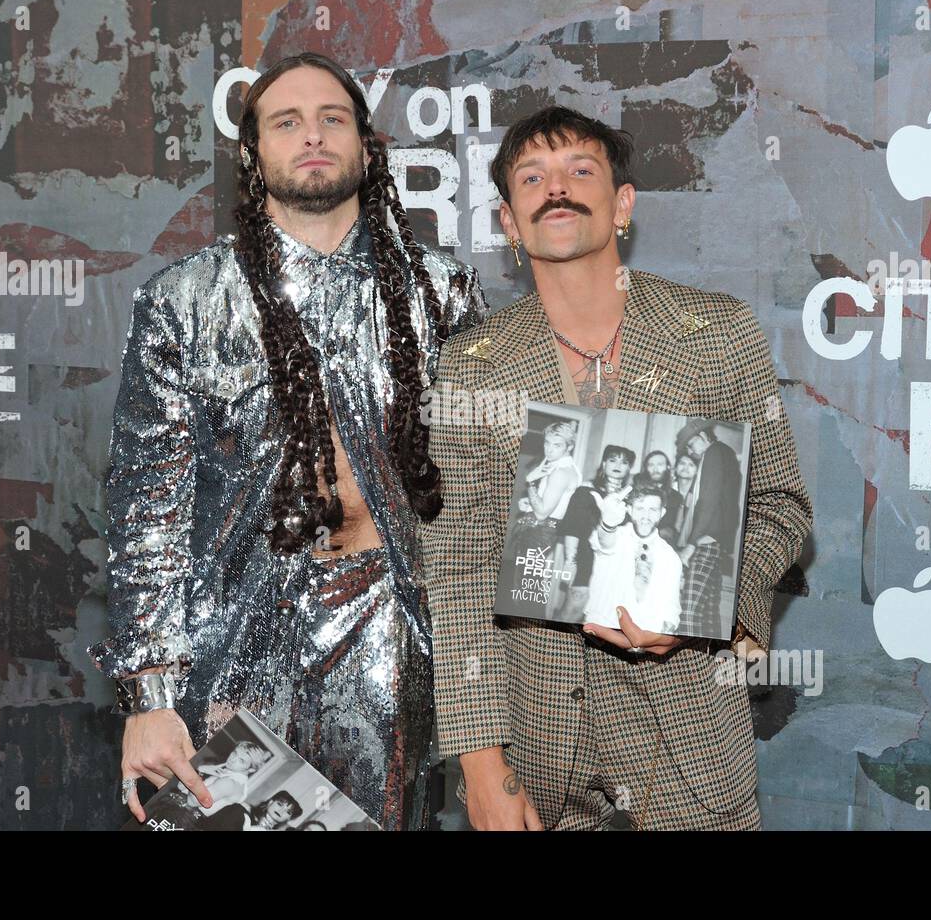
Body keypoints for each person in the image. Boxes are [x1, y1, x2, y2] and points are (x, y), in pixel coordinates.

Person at [90, 51, 487, 832]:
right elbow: (149, 510)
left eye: (333, 119)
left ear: (368, 149)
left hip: (393, 636)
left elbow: (485, 497)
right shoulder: (183, 302)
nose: (313, 135)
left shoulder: (442, 291)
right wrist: (151, 697)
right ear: (252, 152)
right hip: (230, 643)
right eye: (287, 121)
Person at [421, 105, 812, 830]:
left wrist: (708, 605)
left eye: (580, 170)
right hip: (540, 747)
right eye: (532, 178)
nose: (556, 189)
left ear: (622, 203)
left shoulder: (716, 332)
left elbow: (780, 508)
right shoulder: (467, 369)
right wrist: (480, 762)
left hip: (689, 732)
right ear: (509, 222)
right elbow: (459, 567)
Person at [498, 421, 581, 611]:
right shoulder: (562, 467)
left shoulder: (560, 472)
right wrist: (529, 503)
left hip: (539, 530)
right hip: (541, 530)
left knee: (526, 591)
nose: (549, 450)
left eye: (557, 445)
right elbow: (552, 505)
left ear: (570, 446)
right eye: (547, 443)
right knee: (527, 588)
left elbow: (542, 512)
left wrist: (530, 482)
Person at [584, 484, 683, 633]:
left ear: (662, 513)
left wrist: (664, 631)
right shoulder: (618, 537)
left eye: (652, 510)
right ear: (629, 510)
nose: (646, 516)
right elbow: (604, 543)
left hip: (645, 635)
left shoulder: (671, 557)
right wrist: (608, 523)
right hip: (604, 627)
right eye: (640, 509)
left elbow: (671, 607)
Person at [555, 444, 635, 618]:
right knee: (575, 607)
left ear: (629, 468)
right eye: (612, 460)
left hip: (616, 563)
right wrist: (570, 560)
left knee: (603, 614)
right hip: (587, 558)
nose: (617, 465)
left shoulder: (631, 499)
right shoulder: (586, 492)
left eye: (624, 462)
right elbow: (573, 526)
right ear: (604, 464)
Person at [677, 424, 744, 579]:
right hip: (720, 536)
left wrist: (691, 544)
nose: (689, 452)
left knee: (691, 596)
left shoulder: (713, 452)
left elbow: (709, 500)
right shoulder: (725, 451)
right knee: (708, 599)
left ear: (703, 435)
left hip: (708, 536)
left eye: (691, 444)